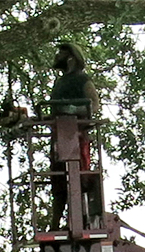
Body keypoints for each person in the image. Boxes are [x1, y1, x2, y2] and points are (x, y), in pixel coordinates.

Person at [46, 43, 101, 231]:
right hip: (59, 137)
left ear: (70, 57)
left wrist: (74, 110)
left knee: (78, 179)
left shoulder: (82, 80)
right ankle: (55, 223)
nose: (56, 55)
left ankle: (77, 221)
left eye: (61, 52)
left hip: (76, 137)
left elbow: (94, 104)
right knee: (58, 180)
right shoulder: (60, 82)